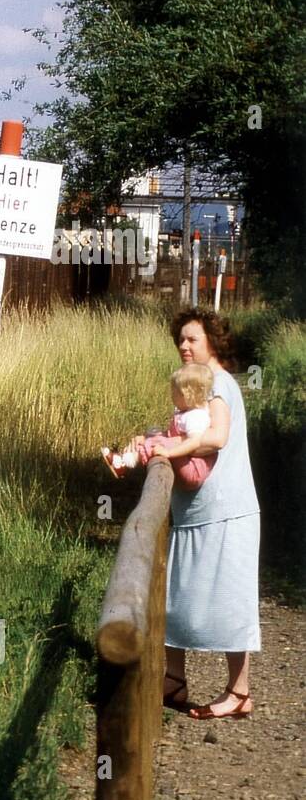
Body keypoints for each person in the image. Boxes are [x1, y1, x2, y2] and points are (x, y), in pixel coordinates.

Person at [135, 308, 260, 719]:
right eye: (181, 340)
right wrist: (157, 438)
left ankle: (239, 692)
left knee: (230, 599)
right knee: (177, 594)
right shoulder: (198, 382)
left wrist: (168, 448)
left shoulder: (218, 383)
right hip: (196, 511)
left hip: (226, 510)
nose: (184, 346)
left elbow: (214, 438)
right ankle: (174, 680)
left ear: (212, 341)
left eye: (193, 339)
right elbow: (188, 431)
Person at [102, 363, 217, 490]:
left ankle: (125, 463)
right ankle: (124, 458)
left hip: (193, 469)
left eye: (174, 392)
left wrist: (168, 452)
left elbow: (194, 442)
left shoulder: (196, 416)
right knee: (154, 434)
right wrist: (151, 436)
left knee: (159, 441)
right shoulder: (189, 412)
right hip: (188, 462)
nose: (171, 396)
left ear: (187, 395)